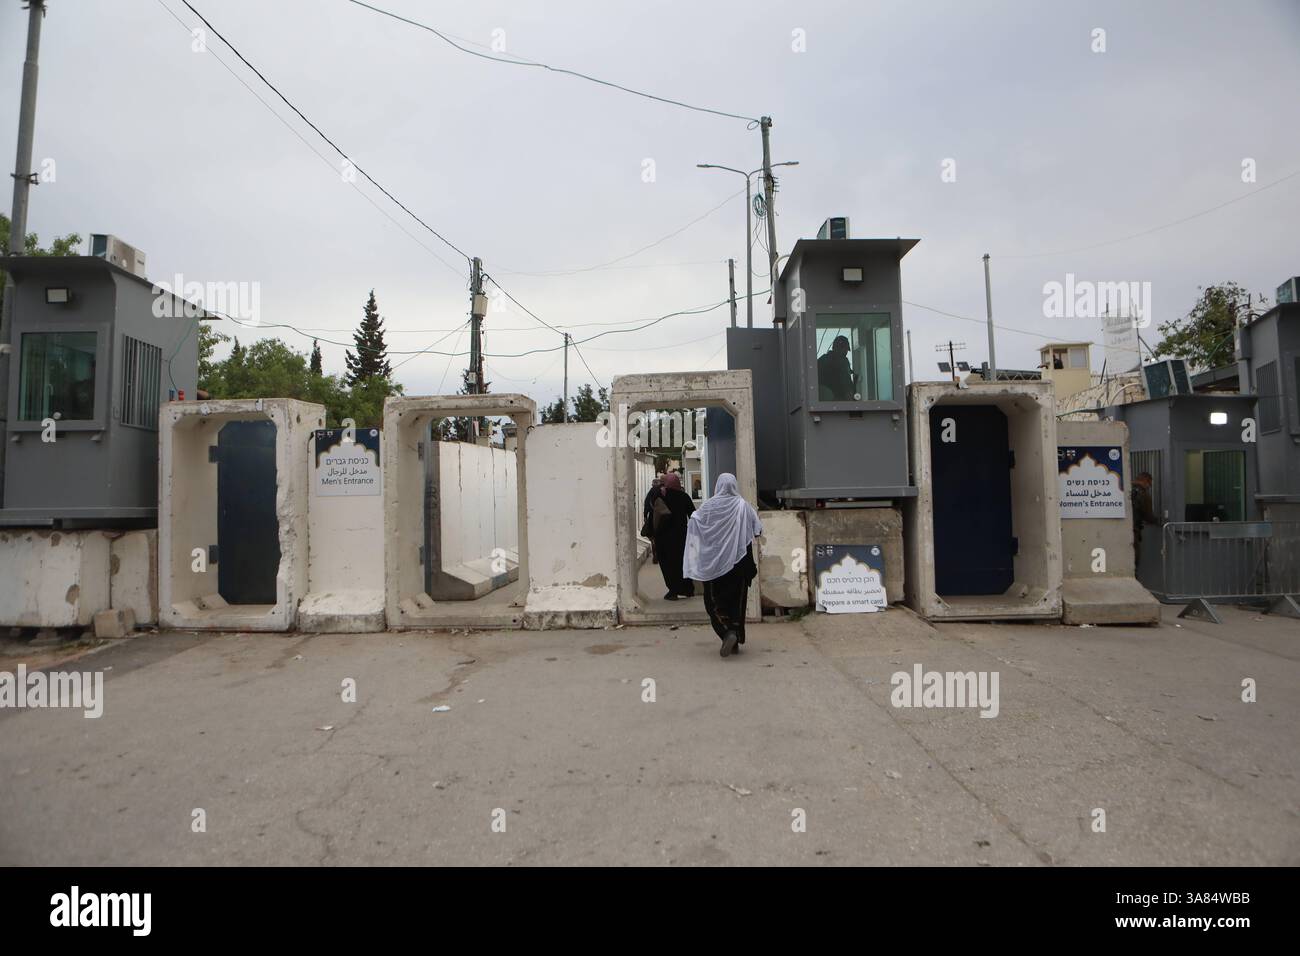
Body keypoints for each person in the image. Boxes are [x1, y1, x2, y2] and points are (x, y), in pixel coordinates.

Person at [683, 473, 762, 658]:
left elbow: (695, 522)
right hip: (740, 565)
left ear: (717, 486)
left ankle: (727, 633)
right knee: (737, 603)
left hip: (714, 564)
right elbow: (757, 530)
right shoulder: (743, 506)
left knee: (714, 603)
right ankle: (734, 636)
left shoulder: (708, 506)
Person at [654, 472, 695, 600]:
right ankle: (688, 589)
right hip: (682, 537)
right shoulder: (684, 496)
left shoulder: (661, 495)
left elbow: (652, 509)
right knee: (683, 563)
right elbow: (693, 515)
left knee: (668, 565)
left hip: (664, 538)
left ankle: (673, 591)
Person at [817, 335, 857, 401]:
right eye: (845, 349)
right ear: (838, 348)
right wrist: (850, 399)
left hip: (823, 401)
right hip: (838, 401)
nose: (846, 352)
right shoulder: (842, 361)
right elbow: (846, 383)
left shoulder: (822, 359)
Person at [641, 477, 661, 564]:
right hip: (661, 517)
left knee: (653, 537)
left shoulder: (650, 493)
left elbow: (646, 505)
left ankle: (655, 555)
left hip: (652, 517)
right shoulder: (662, 491)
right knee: (660, 537)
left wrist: (645, 516)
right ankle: (660, 555)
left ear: (653, 484)